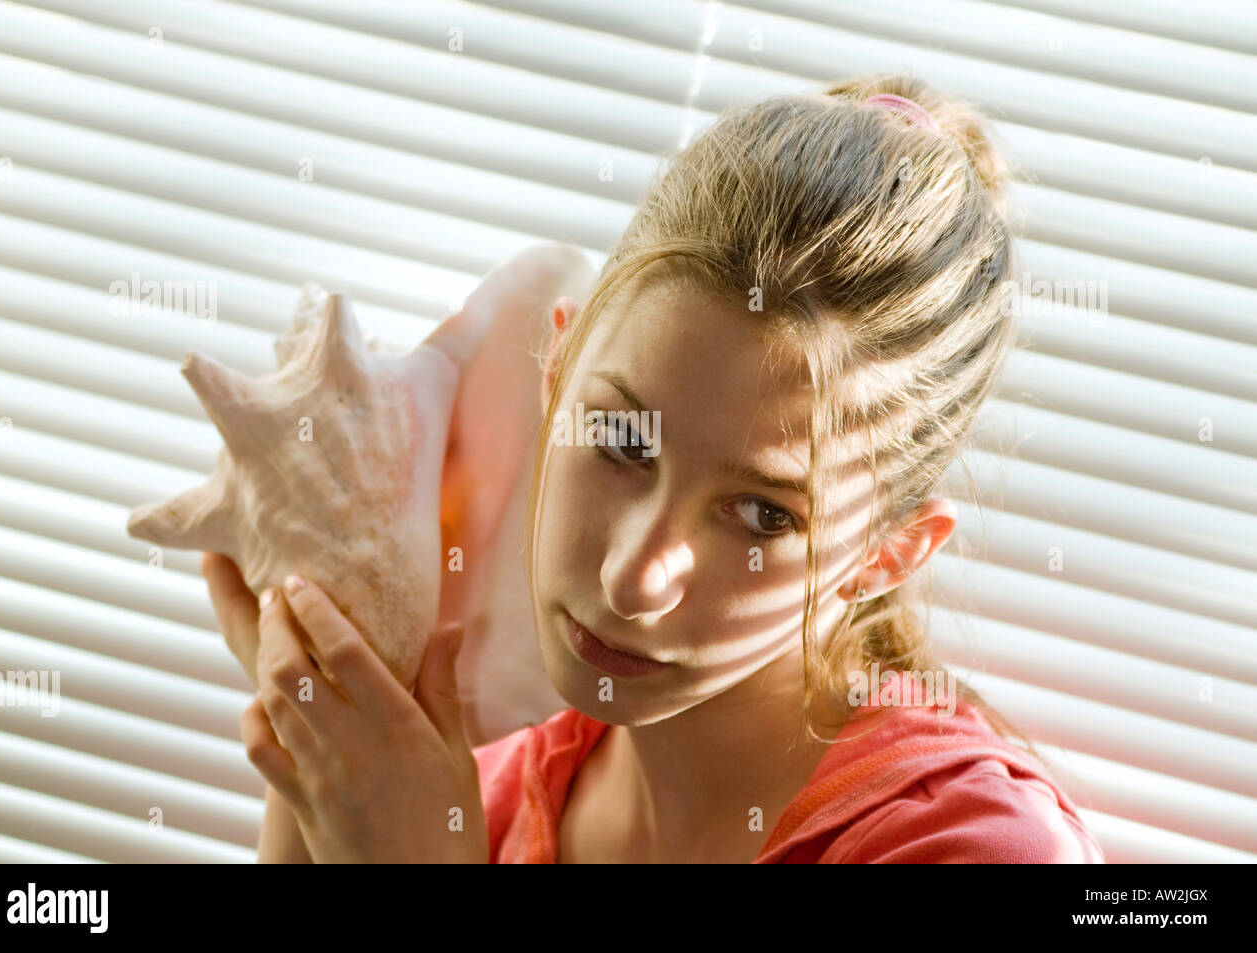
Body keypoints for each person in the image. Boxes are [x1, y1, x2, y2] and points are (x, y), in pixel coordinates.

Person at [205, 72, 1105, 863]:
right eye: (625, 443)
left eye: (763, 515)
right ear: (554, 379)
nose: (632, 580)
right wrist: (314, 739)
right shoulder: (468, 796)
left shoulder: (980, 851)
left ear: (888, 553)